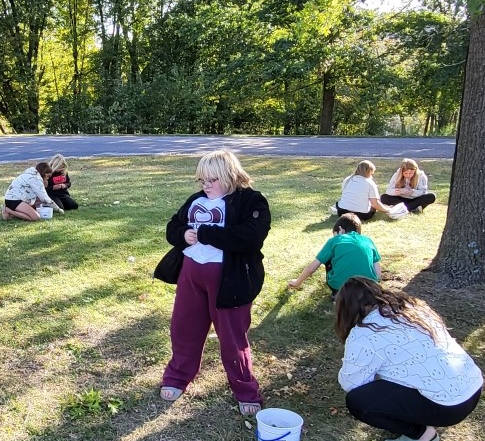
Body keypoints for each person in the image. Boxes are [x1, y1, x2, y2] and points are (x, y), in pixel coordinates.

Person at [153, 150, 271, 416]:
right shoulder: (196, 200)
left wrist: (207, 233)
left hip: (229, 281)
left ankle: (245, 389)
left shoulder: (251, 200)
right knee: (184, 327)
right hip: (191, 275)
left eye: (211, 180)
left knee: (232, 336)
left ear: (230, 176)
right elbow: (173, 226)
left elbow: (251, 237)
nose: (205, 185)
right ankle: (178, 375)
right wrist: (183, 234)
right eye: (202, 180)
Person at [333, 278, 484, 441]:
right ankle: (423, 413)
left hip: (449, 407)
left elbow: (351, 383)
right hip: (473, 388)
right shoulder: (410, 308)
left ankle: (422, 434)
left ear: (345, 310)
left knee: (358, 401)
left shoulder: (363, 333)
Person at [287, 213, 382, 297]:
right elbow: (378, 274)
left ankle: (338, 294)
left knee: (329, 257)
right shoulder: (368, 241)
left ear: (340, 229)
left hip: (341, 287)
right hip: (369, 288)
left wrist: (297, 282)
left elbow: (311, 268)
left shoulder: (335, 240)